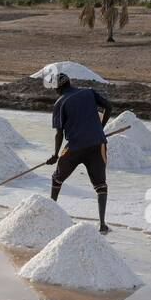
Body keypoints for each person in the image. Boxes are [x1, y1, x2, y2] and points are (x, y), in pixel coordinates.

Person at [46, 72, 112, 233]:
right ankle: (102, 225)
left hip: (75, 147)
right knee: (101, 185)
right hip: (98, 144)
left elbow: (59, 133)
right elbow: (108, 107)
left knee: (57, 179)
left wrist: (55, 155)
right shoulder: (88, 92)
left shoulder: (60, 103)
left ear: (57, 87)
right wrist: (100, 128)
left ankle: (50, 215)